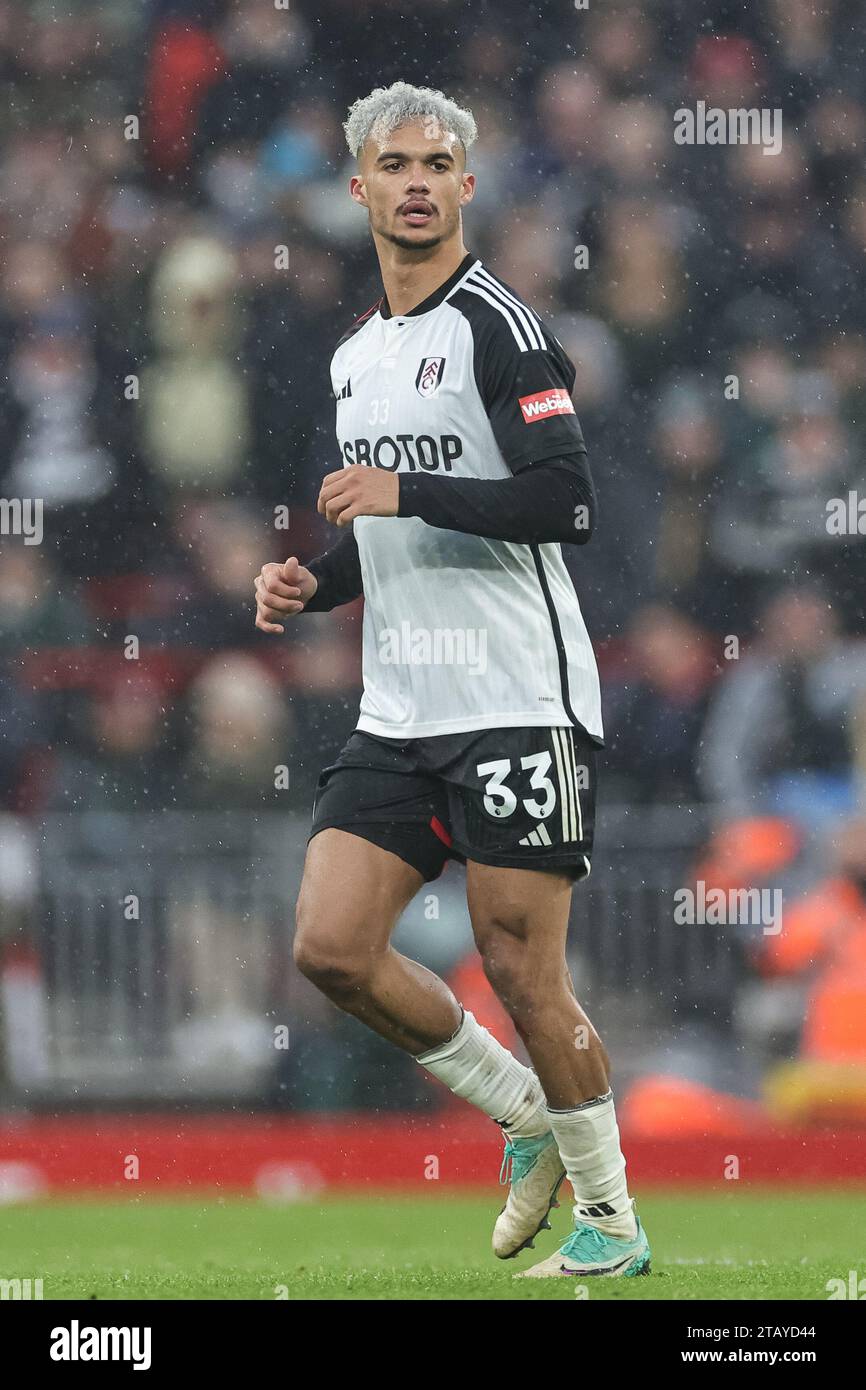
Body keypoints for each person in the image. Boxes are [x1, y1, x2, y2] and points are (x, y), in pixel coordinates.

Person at [254, 81, 650, 1279]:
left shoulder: (501, 327)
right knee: (329, 945)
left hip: (517, 695)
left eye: (438, 162)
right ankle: (522, 1114)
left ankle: (613, 1219)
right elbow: (384, 536)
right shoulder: (353, 357)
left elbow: (564, 499)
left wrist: (398, 491)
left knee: (525, 966)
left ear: (466, 188)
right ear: (359, 187)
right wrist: (312, 587)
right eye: (395, 164)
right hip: (400, 706)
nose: (418, 181)